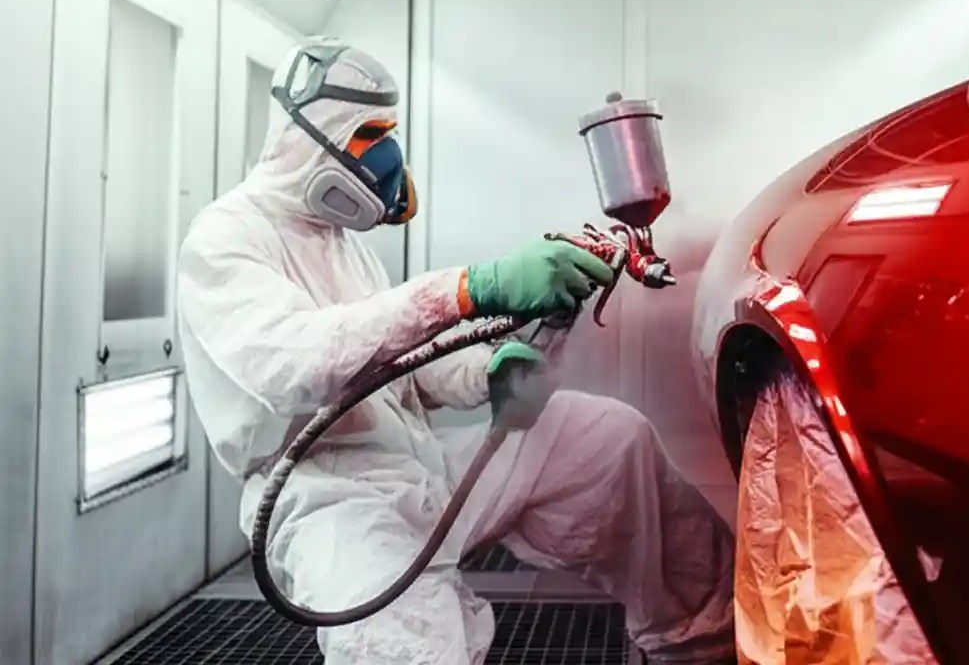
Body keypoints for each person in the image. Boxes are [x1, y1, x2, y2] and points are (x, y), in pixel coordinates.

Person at [177, 39, 735, 665]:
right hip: (328, 502)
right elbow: (296, 367)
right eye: (370, 135)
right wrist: (470, 288)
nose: (387, 157)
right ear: (314, 137)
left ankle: (704, 644)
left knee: (608, 439)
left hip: (419, 467)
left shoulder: (340, 244)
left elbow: (409, 369)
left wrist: (489, 367)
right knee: (403, 643)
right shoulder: (224, 239)